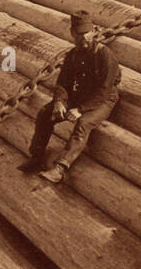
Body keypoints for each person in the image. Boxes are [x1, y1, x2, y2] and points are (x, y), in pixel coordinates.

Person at [20, 10, 120, 184]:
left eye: (87, 33)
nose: (84, 38)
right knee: (46, 113)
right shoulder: (73, 55)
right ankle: (36, 156)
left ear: (94, 31)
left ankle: (59, 169)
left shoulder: (105, 56)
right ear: (72, 33)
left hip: (103, 100)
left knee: (83, 123)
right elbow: (62, 82)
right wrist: (59, 101)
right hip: (81, 96)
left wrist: (80, 110)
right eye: (79, 34)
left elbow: (104, 91)